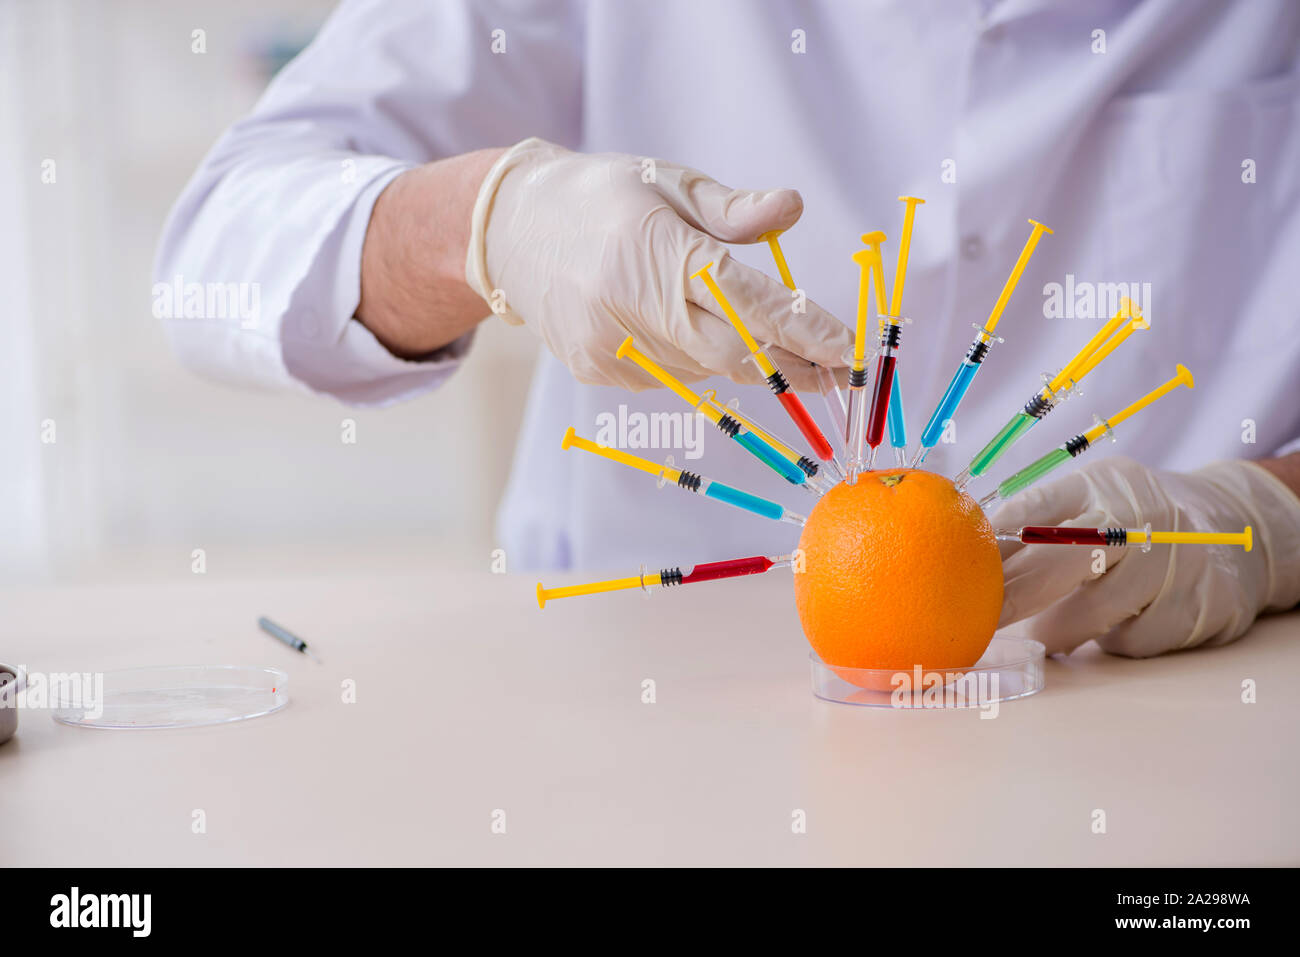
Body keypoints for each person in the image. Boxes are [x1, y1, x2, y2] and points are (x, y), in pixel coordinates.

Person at [155, 0, 1300, 657]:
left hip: (1165, 701)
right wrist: (486, 223)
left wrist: (1267, 516)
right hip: (629, 698)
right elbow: (220, 243)